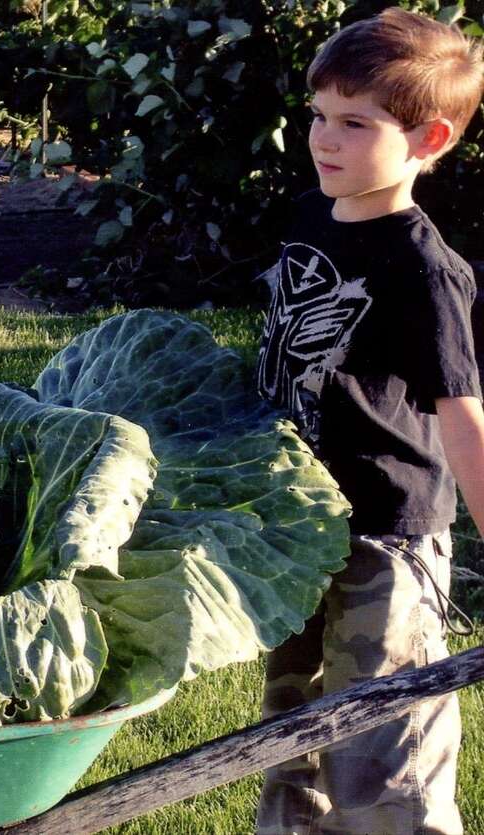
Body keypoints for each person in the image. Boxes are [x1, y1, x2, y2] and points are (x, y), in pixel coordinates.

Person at [253, 8, 484, 834]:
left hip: (385, 535)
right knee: (288, 725)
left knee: (382, 737)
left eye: (356, 122)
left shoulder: (423, 270)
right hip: (293, 520)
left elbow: (462, 420)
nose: (326, 138)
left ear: (430, 139)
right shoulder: (317, 212)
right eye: (320, 115)